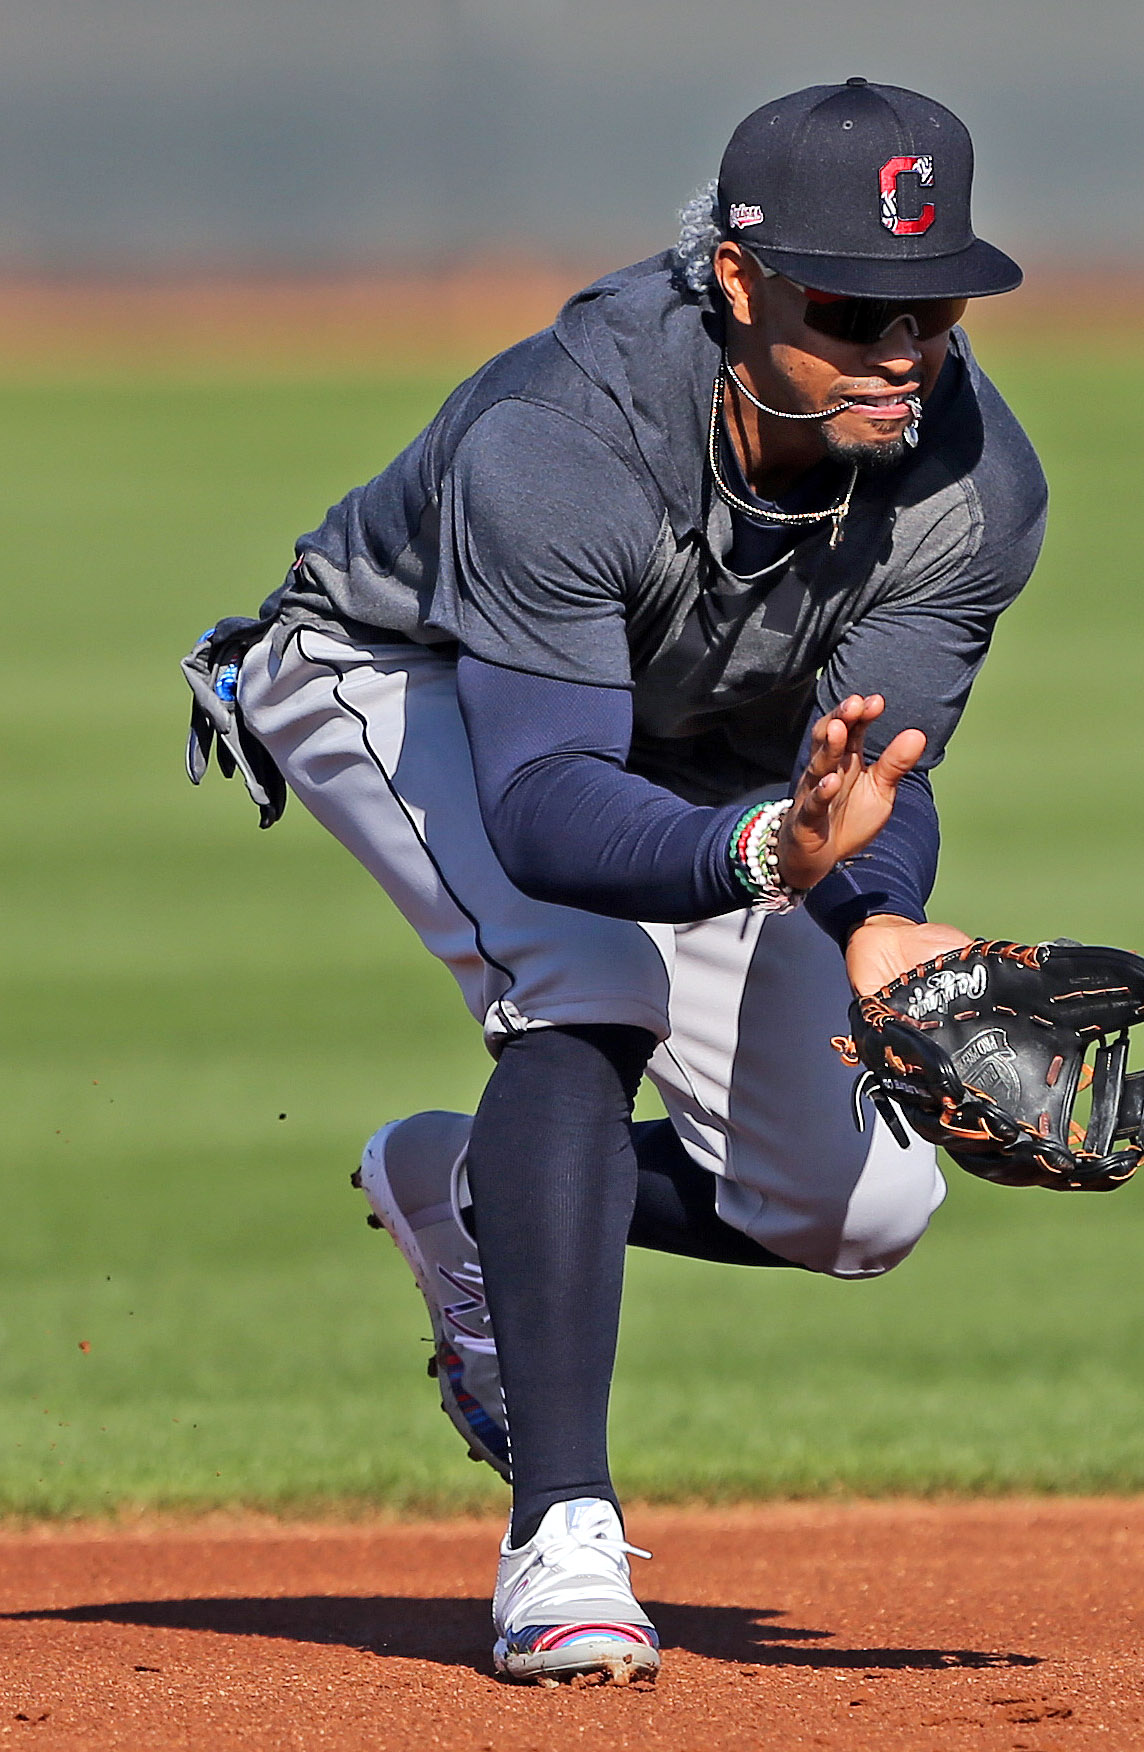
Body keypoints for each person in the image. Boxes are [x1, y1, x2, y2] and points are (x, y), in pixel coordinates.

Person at [188, 79, 1043, 1686]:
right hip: (405, 671)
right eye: (852, 307)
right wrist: (762, 857)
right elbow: (543, 809)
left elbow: (870, 770)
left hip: (678, 730)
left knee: (857, 1205)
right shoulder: (565, 441)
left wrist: (880, 920)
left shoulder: (971, 483)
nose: (902, 350)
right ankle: (558, 1534)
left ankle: (468, 1192)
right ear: (735, 283)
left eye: (932, 308)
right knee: (587, 979)